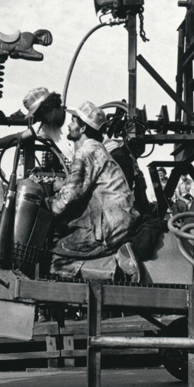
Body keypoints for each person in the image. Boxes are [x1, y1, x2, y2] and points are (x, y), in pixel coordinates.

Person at [47, 100, 138, 264]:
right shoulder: (97, 149)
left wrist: (47, 206)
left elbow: (71, 195)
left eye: (74, 121)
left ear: (82, 129)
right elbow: (77, 185)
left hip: (109, 228)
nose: (69, 125)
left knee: (54, 252)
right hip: (117, 221)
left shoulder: (86, 152)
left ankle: (119, 269)